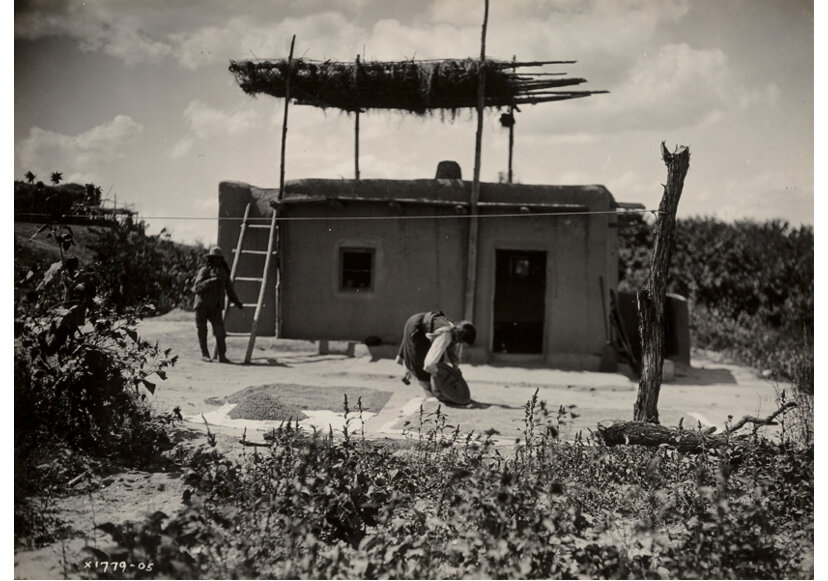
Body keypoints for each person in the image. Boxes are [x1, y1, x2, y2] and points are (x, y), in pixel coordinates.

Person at [395, 311, 476, 404]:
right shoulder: (446, 335)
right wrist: (437, 380)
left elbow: (453, 353)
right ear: (460, 337)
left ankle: (431, 390)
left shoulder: (453, 329)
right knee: (421, 364)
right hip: (415, 327)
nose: (460, 344)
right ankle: (429, 395)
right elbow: (428, 364)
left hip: (419, 322)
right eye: (462, 342)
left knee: (437, 360)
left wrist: (456, 369)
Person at [193, 246, 243, 363]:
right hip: (202, 306)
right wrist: (210, 281)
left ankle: (222, 355)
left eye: (219, 258)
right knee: (202, 330)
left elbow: (230, 290)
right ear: (210, 259)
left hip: (215, 307)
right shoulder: (204, 271)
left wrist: (237, 303)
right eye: (214, 258)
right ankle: (205, 354)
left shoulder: (224, 273)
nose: (217, 261)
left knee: (220, 332)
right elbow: (196, 288)